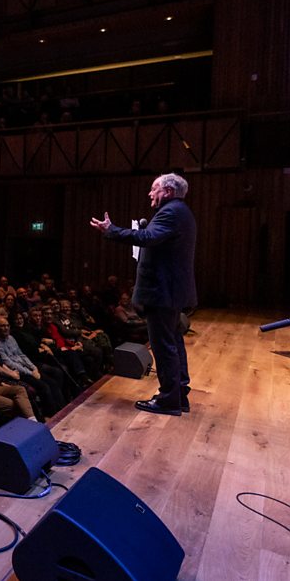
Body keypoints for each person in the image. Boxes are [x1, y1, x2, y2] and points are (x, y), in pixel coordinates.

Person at [90, 172, 197, 415]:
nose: (150, 193)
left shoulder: (171, 212)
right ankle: (178, 394)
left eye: (154, 189)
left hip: (162, 292)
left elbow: (148, 237)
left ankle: (168, 400)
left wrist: (112, 230)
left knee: (164, 346)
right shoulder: (181, 211)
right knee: (173, 342)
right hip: (171, 291)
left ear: (167, 191)